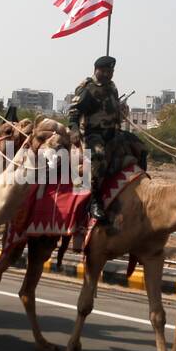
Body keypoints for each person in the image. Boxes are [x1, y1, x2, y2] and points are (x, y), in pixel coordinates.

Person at [68, 54, 146, 224]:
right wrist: (73, 129)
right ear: (97, 70)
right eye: (106, 71)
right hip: (93, 133)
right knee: (98, 157)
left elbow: (113, 110)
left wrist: (121, 109)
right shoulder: (87, 88)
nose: (109, 74)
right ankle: (94, 200)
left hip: (113, 132)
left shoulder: (112, 87)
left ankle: (141, 189)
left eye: (111, 71)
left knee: (141, 148)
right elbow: (74, 111)